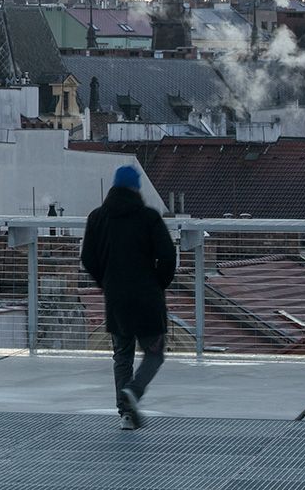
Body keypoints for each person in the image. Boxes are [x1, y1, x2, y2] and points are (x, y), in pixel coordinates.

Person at [80, 164, 177, 429]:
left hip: (117, 299)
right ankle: (134, 391)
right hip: (147, 297)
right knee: (154, 354)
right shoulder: (149, 217)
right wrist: (159, 283)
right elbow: (167, 255)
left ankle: (126, 415)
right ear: (136, 188)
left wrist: (106, 282)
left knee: (122, 355)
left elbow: (88, 258)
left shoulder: (97, 217)